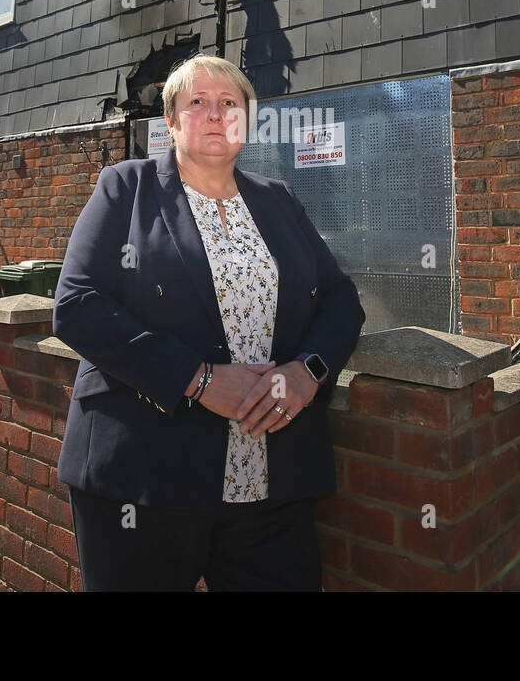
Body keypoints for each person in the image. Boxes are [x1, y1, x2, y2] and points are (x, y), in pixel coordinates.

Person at [53, 54, 365, 591]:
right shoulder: (125, 188)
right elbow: (76, 304)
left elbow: (340, 300)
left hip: (270, 484)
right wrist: (197, 378)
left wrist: (308, 371)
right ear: (171, 121)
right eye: (196, 102)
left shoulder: (278, 199)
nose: (216, 114)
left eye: (230, 103)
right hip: (145, 478)